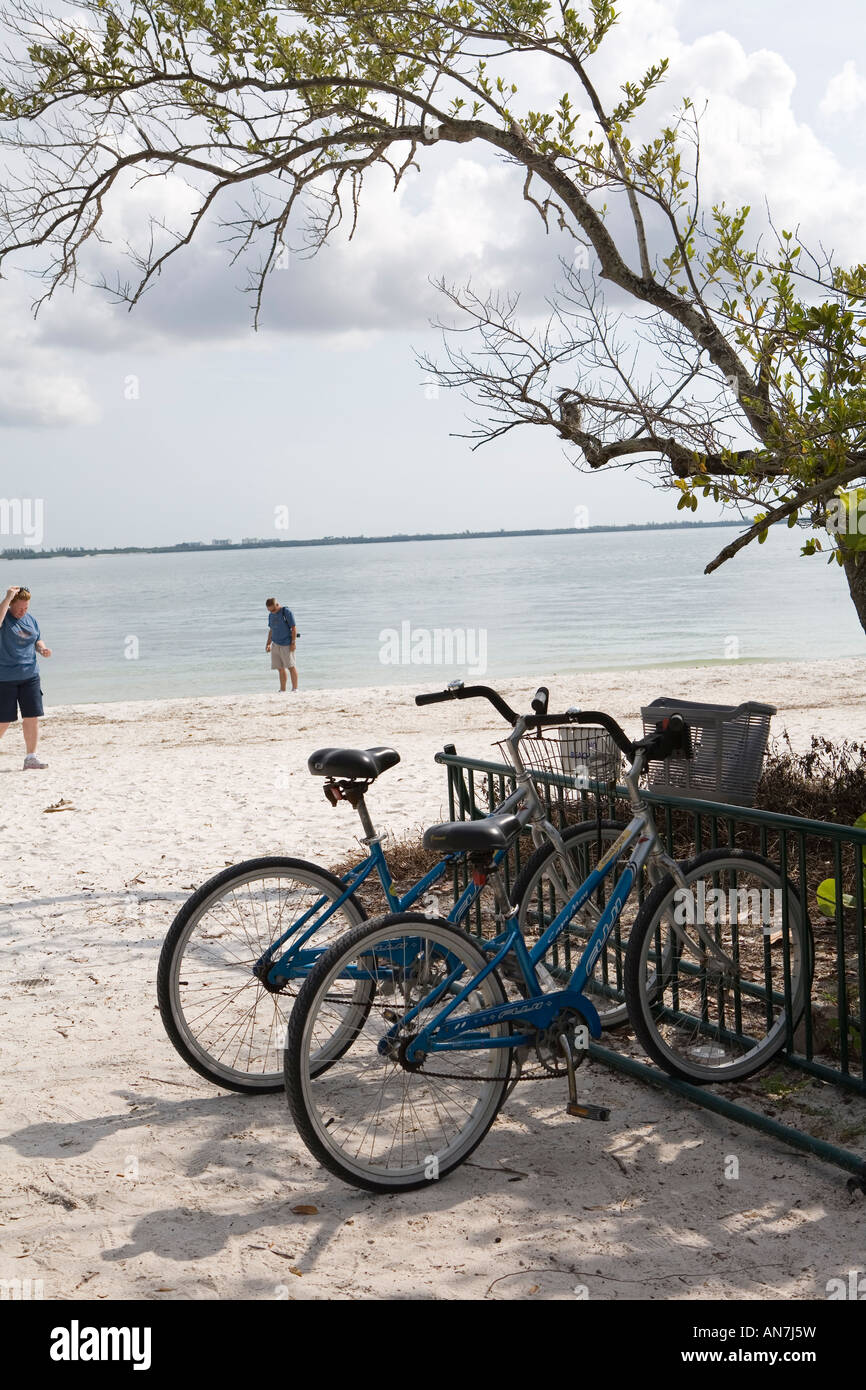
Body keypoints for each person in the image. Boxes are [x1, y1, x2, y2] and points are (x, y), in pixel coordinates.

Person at [0, 585, 52, 769]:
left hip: (30, 676)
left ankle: (30, 758)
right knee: (3, 720)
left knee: (31, 717)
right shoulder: (4, 618)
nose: (23, 611)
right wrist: (7, 598)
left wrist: (42, 648)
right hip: (5, 678)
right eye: (20, 608)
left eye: (26, 608)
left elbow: (37, 638)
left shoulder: (31, 619)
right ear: (10, 606)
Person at [265, 596, 298, 692]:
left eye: (273, 610)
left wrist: (293, 643)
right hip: (275, 644)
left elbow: (294, 628)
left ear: (277, 605)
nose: (272, 612)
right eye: (269, 610)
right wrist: (268, 644)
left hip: (286, 644)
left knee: (291, 666)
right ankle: (282, 690)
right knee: (280, 668)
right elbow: (271, 630)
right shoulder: (271, 615)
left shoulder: (286, 612)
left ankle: (295, 689)